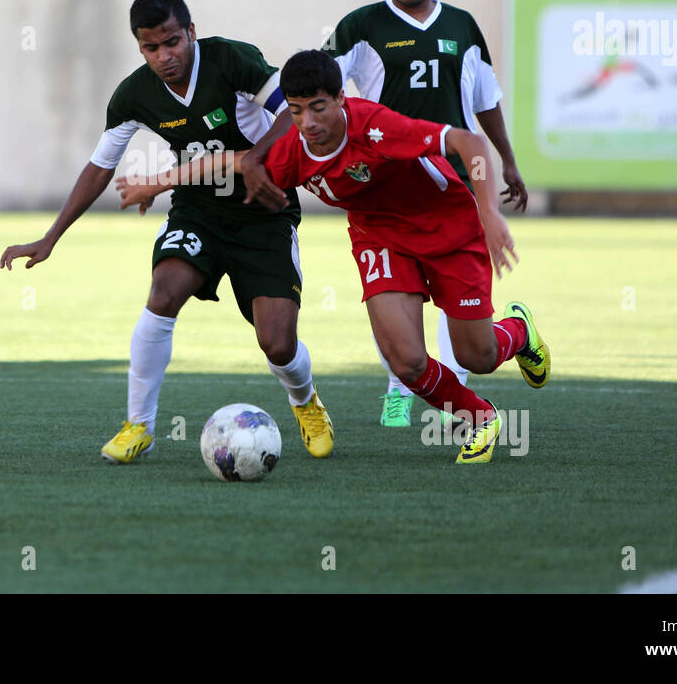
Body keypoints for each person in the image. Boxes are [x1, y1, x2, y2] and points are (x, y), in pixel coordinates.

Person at [118, 50, 550, 464]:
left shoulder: (376, 127)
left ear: (342, 98)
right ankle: (480, 419)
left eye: (319, 107)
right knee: (407, 361)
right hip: (380, 238)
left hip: (449, 231)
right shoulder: (294, 146)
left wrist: (490, 213)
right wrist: (158, 182)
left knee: (478, 355)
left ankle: (518, 330)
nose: (308, 122)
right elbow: (233, 160)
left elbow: (469, 143)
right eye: (296, 110)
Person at [0, 0, 334, 463]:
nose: (164, 56)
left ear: (191, 33)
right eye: (150, 48)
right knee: (164, 291)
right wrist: (50, 237)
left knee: (277, 342)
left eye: (172, 42)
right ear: (139, 47)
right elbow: (100, 167)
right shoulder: (134, 94)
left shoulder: (233, 60)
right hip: (198, 211)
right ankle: (139, 425)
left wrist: (258, 159)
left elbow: (290, 113)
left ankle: (306, 404)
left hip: (266, 213)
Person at [245, 0, 529, 428]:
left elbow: (484, 103)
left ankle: (509, 337)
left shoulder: (462, 26)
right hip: (374, 186)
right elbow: (311, 85)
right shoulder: (361, 25)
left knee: (474, 354)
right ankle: (420, 395)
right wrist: (259, 153)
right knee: (404, 347)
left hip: (450, 186)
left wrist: (506, 163)